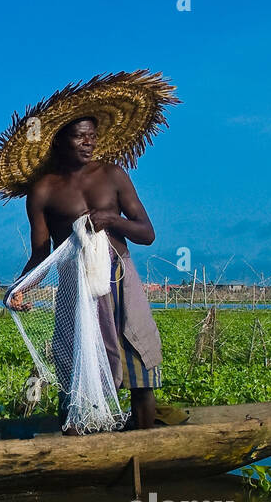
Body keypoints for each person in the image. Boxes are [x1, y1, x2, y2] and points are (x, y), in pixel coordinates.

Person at [9, 116, 164, 430]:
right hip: (73, 283)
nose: (88, 143)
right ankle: (76, 439)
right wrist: (22, 287)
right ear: (59, 141)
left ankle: (146, 439)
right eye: (80, 137)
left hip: (118, 276)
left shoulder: (113, 175)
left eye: (92, 136)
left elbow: (147, 234)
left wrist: (111, 219)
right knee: (74, 358)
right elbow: (42, 253)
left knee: (137, 349)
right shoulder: (43, 191)